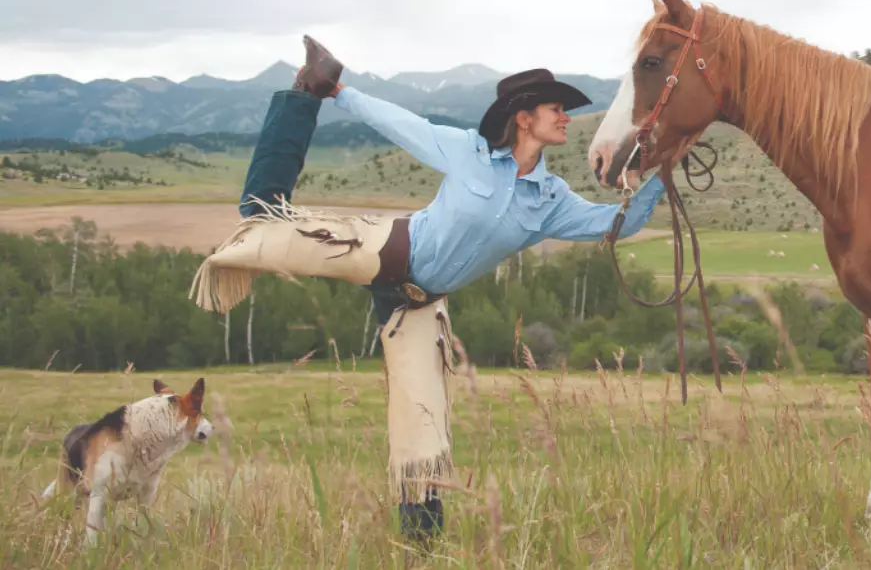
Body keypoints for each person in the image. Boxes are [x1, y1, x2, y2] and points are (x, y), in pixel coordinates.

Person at [188, 36, 665, 545]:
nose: (567, 117)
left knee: (423, 431)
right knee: (262, 226)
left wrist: (667, 170)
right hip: (376, 249)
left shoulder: (551, 199)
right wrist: (337, 90)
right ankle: (304, 90)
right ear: (523, 118)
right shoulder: (468, 152)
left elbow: (620, 222)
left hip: (417, 307)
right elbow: (400, 124)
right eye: (556, 109)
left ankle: (421, 546)